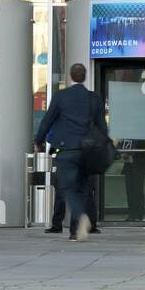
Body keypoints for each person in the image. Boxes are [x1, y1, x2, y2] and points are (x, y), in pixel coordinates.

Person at [36, 63, 108, 241]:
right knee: (83, 190)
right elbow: (102, 126)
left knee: (68, 188)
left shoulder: (61, 96)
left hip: (67, 149)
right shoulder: (94, 98)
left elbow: (47, 121)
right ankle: (75, 232)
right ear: (85, 77)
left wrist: (38, 141)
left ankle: (80, 218)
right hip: (87, 151)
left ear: (71, 77)